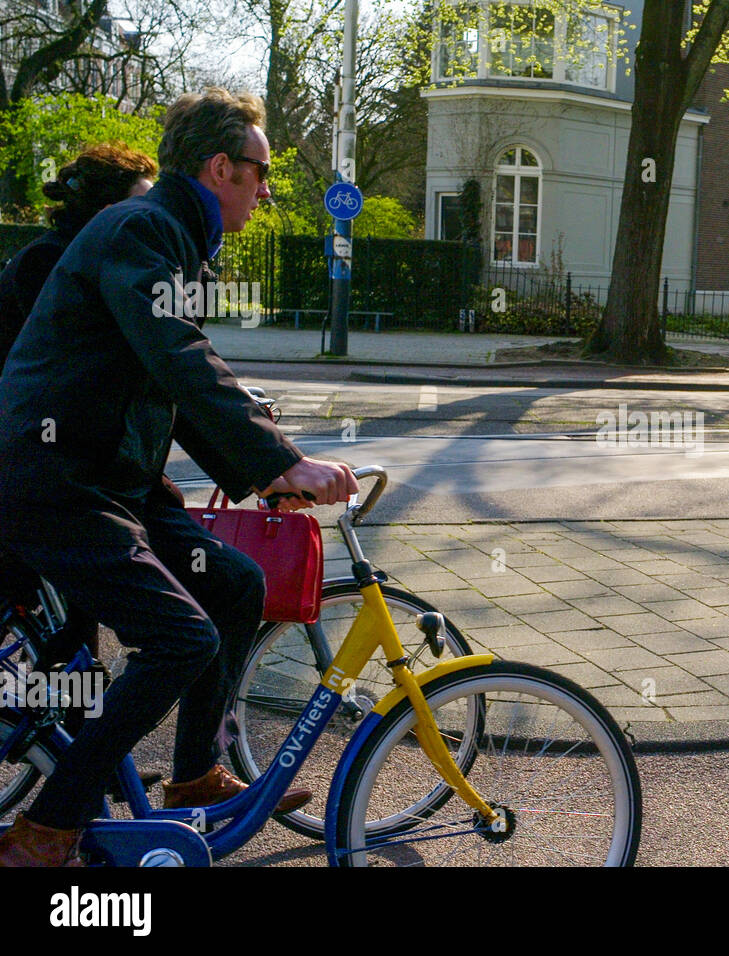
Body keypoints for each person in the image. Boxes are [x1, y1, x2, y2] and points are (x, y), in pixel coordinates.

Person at [0, 88, 359, 867]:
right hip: (57, 479)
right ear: (219, 166)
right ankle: (45, 829)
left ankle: (193, 776)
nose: (266, 190)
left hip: (113, 477)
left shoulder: (174, 241)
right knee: (180, 637)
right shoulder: (143, 228)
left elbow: (172, 386)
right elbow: (181, 356)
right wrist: (280, 460)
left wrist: (270, 474)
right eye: (259, 172)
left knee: (233, 586)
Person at [0, 144, 158, 671]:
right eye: (139, 204)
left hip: (56, 464)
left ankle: (70, 737)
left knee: (67, 624)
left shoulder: (81, 258)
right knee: (59, 622)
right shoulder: (49, 262)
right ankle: (66, 739)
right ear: (106, 211)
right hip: (33, 465)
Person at [0, 144, 156, 368]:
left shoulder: (76, 253)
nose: (154, 217)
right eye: (143, 208)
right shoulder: (47, 258)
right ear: (108, 213)